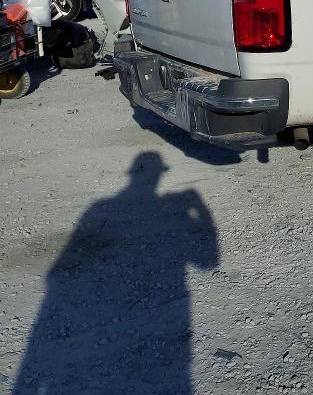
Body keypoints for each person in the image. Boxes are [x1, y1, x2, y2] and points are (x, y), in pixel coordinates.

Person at [13, 152, 219, 394]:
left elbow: (58, 273)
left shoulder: (99, 207)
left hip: (106, 326)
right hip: (158, 322)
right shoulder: (150, 210)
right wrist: (201, 209)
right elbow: (208, 261)